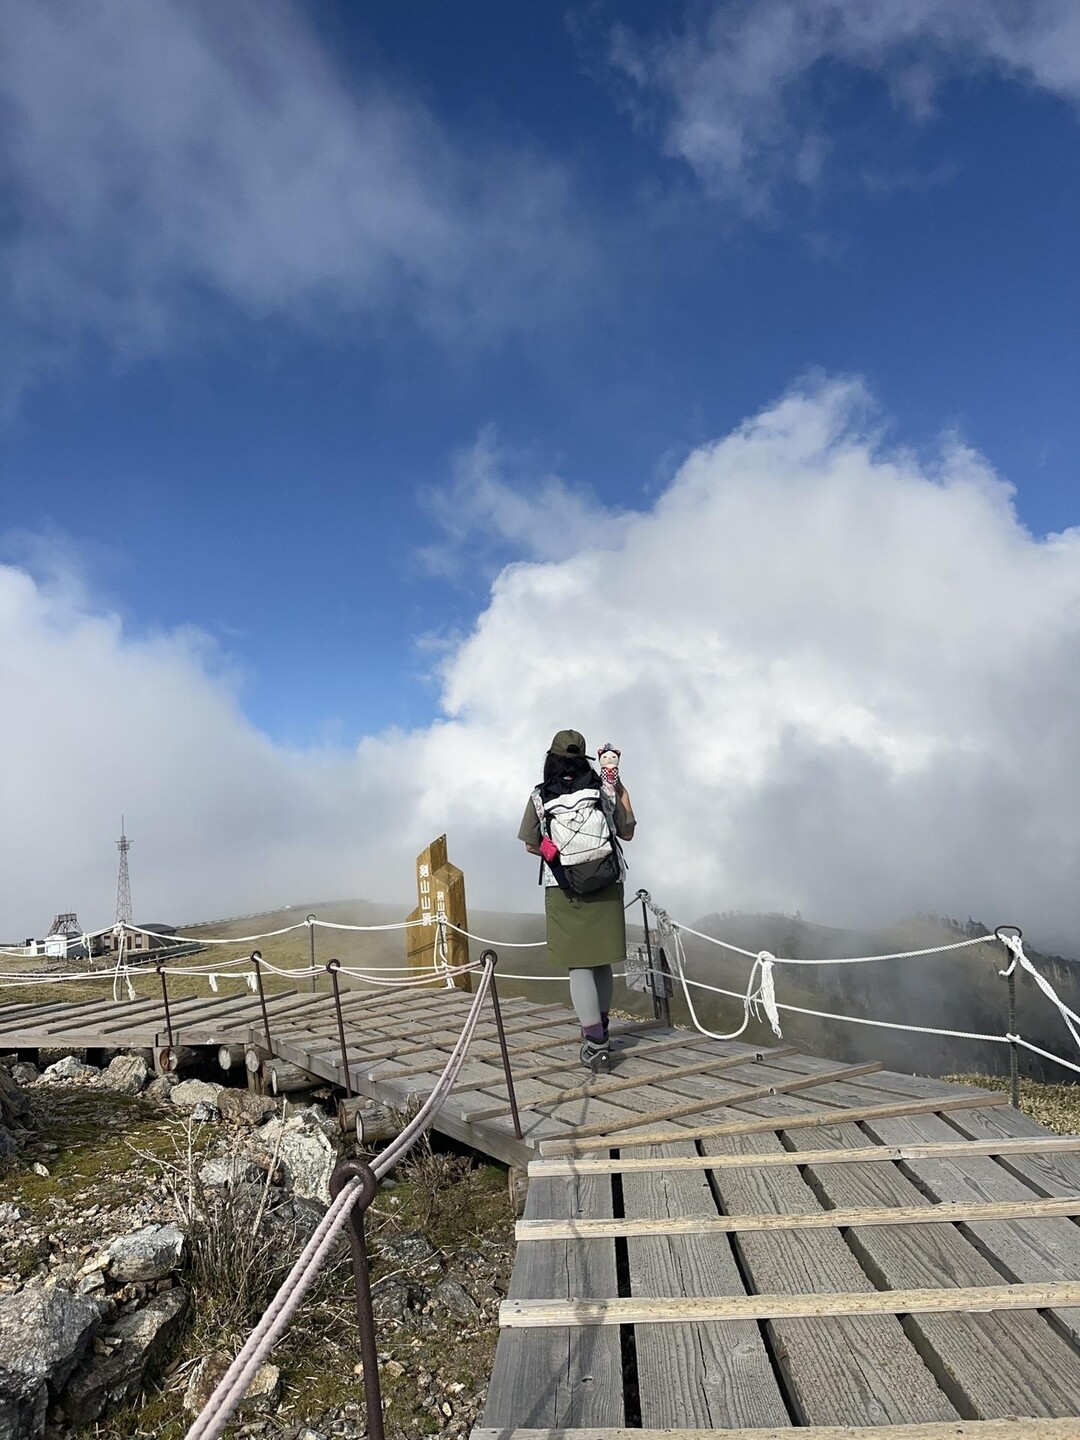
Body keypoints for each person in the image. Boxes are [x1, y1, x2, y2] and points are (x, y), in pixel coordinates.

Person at [518, 729, 636, 1073]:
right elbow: (627, 832)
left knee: (579, 964)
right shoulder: (601, 789)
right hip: (606, 880)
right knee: (601, 962)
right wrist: (618, 785)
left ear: (551, 758)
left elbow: (530, 842)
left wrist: (552, 851)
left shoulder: (540, 796)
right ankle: (603, 1033)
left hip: (564, 885)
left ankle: (595, 1044)